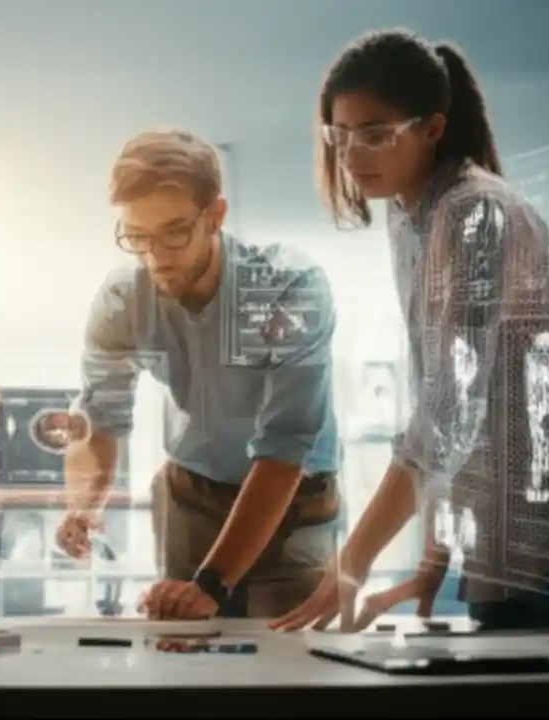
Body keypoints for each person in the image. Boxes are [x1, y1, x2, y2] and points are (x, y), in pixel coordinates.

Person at [271, 29, 549, 634]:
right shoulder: (407, 212)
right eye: (340, 135)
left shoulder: (473, 212)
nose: (352, 155)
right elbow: (445, 390)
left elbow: (447, 409)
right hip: (512, 519)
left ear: (433, 127)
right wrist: (437, 551)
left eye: (376, 134)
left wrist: (353, 560)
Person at [56, 129, 342, 619]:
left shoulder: (290, 289)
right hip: (191, 494)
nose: (155, 256)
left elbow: (284, 448)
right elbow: (101, 418)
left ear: (216, 216)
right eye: (137, 237)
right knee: (183, 648)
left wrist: (212, 581)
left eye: (174, 232)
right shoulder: (123, 301)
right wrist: (84, 503)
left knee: (292, 660)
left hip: (293, 498)